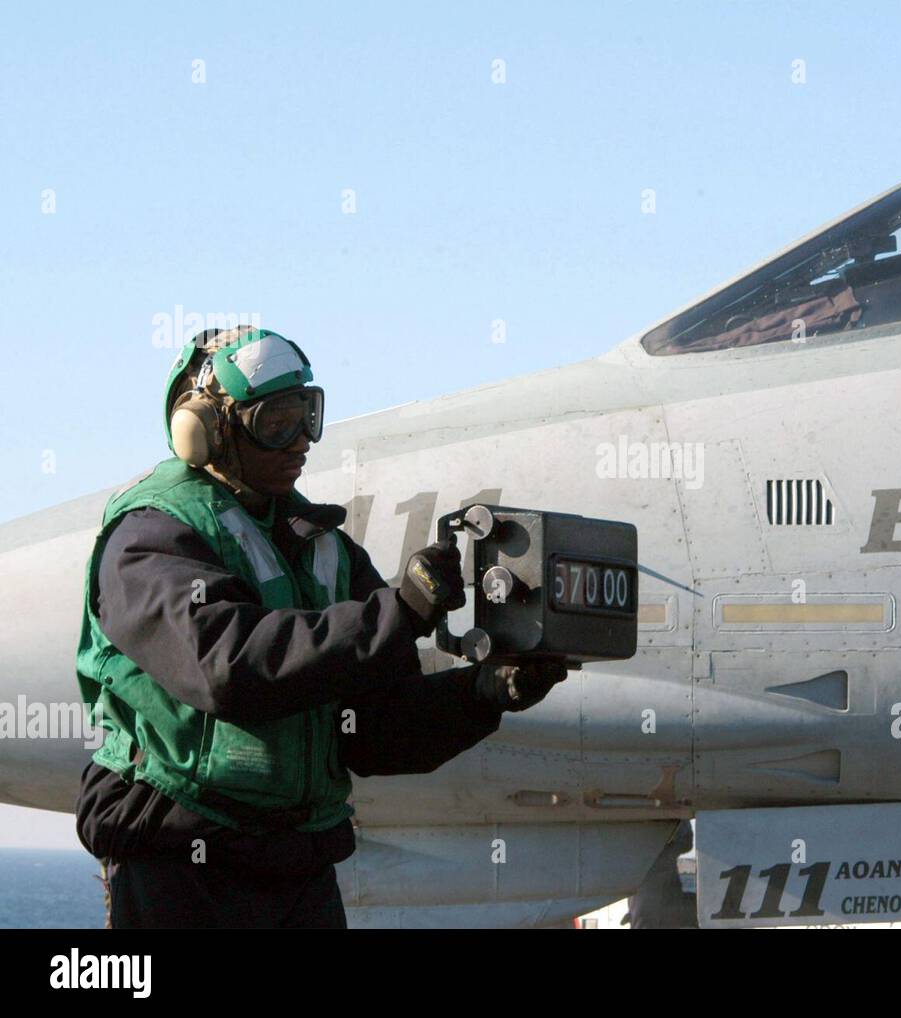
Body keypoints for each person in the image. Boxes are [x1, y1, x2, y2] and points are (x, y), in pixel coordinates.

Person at [74, 325, 566, 929]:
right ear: (207, 430)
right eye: (275, 421)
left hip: (298, 865)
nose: (301, 440)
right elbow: (225, 669)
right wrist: (400, 612)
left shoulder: (325, 549)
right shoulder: (151, 538)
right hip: (180, 864)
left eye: (308, 414)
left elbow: (375, 733)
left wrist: (485, 693)